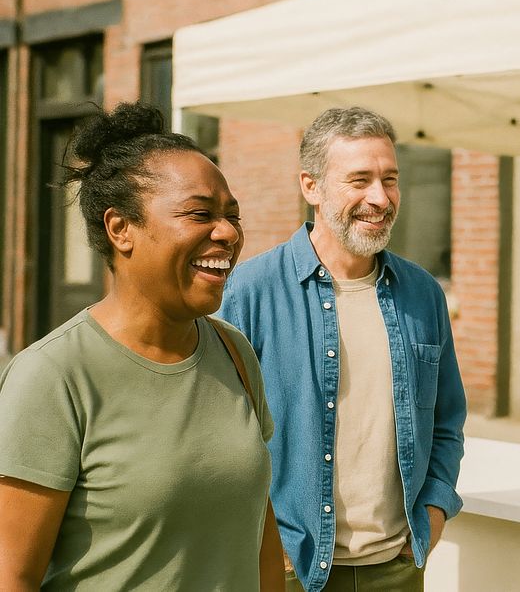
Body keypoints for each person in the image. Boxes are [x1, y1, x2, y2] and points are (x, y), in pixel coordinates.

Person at [0, 102, 284, 591]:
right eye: (200, 214)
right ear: (121, 228)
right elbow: (13, 576)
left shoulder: (234, 353)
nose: (228, 233)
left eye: (231, 216)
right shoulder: (53, 376)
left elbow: (259, 533)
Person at [219, 106, 466, 591]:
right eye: (359, 180)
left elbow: (446, 420)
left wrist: (434, 509)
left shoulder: (423, 294)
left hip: (397, 567)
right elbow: (218, 435)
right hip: (288, 569)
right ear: (311, 186)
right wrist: (270, 541)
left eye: (389, 179)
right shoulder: (248, 292)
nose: (380, 197)